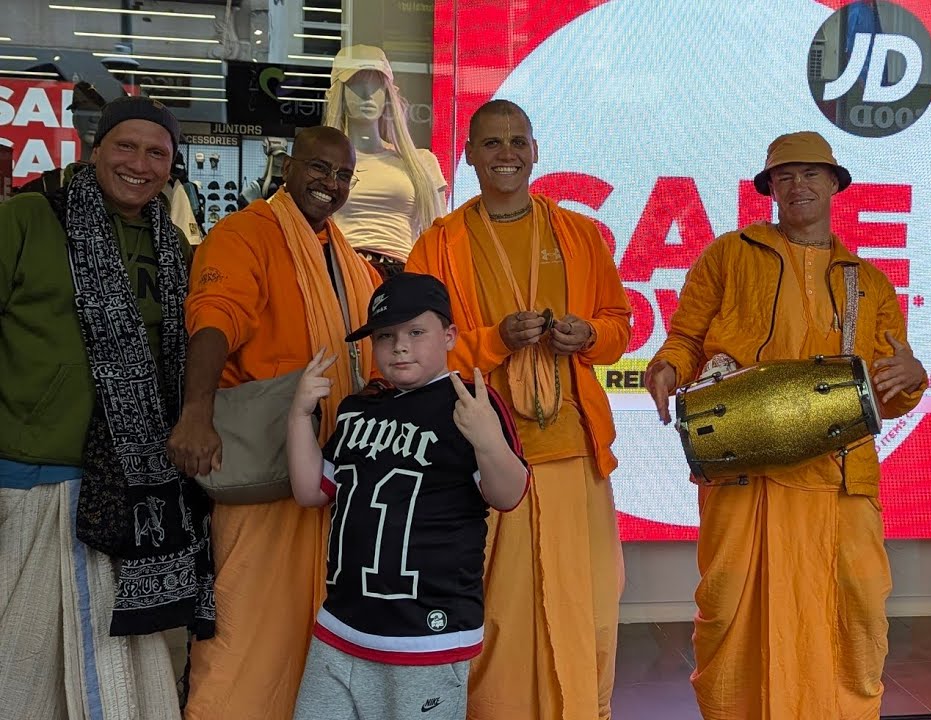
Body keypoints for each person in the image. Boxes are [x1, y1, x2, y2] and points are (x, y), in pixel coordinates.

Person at [644, 131, 928, 720]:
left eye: (811, 175)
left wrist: (913, 374)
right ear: (769, 188)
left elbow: (888, 390)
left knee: (857, 610)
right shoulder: (728, 254)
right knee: (729, 606)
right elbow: (687, 335)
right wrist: (668, 364)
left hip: (838, 481)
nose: (798, 187)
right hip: (744, 473)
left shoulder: (868, 283)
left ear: (835, 185)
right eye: (785, 177)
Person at [404, 99, 631, 720]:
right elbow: (416, 348)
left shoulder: (578, 234)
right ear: (470, 154)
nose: (506, 153)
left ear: (536, 151)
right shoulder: (440, 243)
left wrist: (589, 337)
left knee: (588, 603)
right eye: (492, 143)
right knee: (497, 608)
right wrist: (494, 340)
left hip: (574, 451)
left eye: (517, 141)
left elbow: (621, 325)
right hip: (487, 457)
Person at [0, 95, 212, 720]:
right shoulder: (29, 220)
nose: (139, 164)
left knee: (112, 658)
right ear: (96, 151)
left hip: (135, 485)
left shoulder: (172, 245)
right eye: (126, 146)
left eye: (157, 153)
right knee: (21, 651)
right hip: (33, 463)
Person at [170, 125, 382, 720]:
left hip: (328, 471)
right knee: (246, 622)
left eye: (343, 175)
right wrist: (196, 414)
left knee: (315, 620)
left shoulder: (346, 256)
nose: (330, 184)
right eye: (319, 168)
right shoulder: (245, 234)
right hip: (261, 468)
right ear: (289, 166)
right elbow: (214, 320)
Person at [286, 271, 529, 720]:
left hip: (427, 634)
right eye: (386, 335)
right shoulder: (360, 406)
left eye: (416, 332)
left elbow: (508, 495)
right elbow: (310, 491)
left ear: (449, 335)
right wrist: (300, 415)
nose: (400, 346)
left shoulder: (469, 403)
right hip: (341, 628)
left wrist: (488, 440)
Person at [326, 44, 448, 276]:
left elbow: (440, 233)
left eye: (376, 86)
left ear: (388, 93)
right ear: (339, 94)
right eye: (356, 86)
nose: (367, 94)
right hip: (343, 270)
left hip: (403, 272)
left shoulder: (421, 162)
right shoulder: (327, 165)